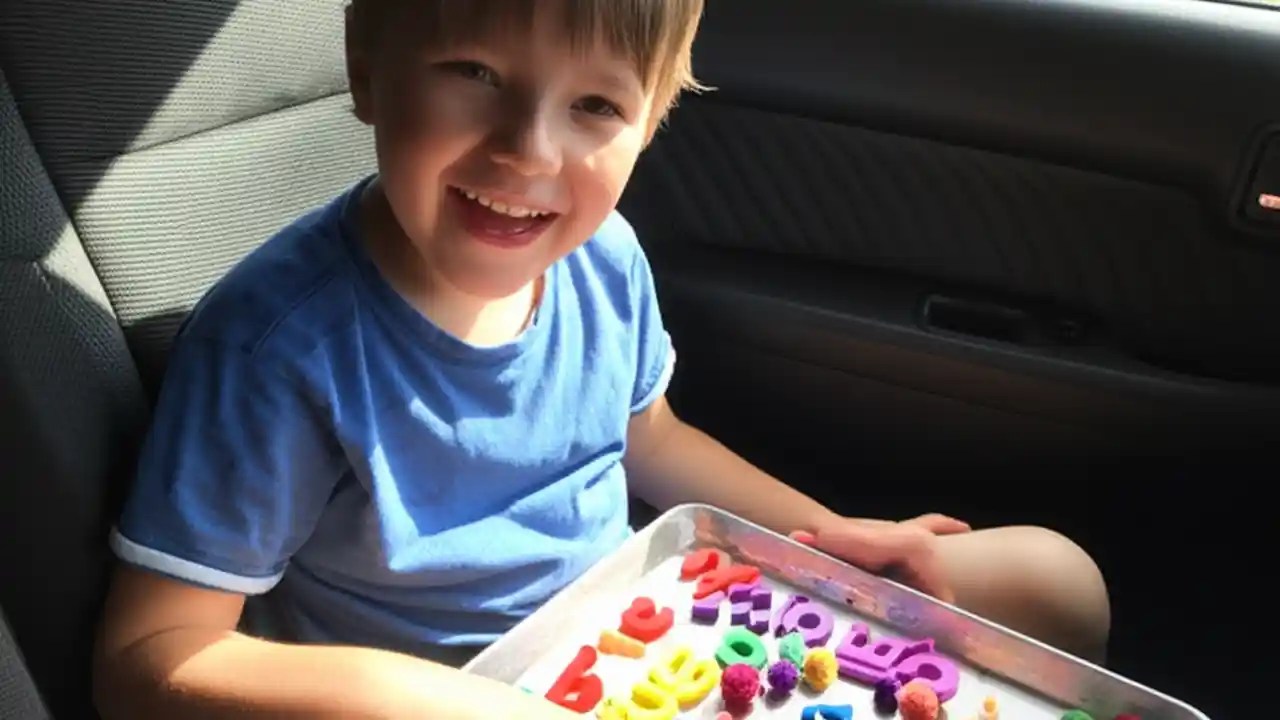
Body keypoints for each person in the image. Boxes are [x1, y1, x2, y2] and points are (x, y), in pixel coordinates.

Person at [91, 1, 1111, 718]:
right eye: (474, 74)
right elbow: (150, 660)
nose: (528, 151)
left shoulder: (601, 260)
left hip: (643, 632)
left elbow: (649, 442)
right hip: (447, 687)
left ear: (653, 116)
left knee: (1054, 584)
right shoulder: (278, 349)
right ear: (365, 61)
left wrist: (826, 539)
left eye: (594, 108)